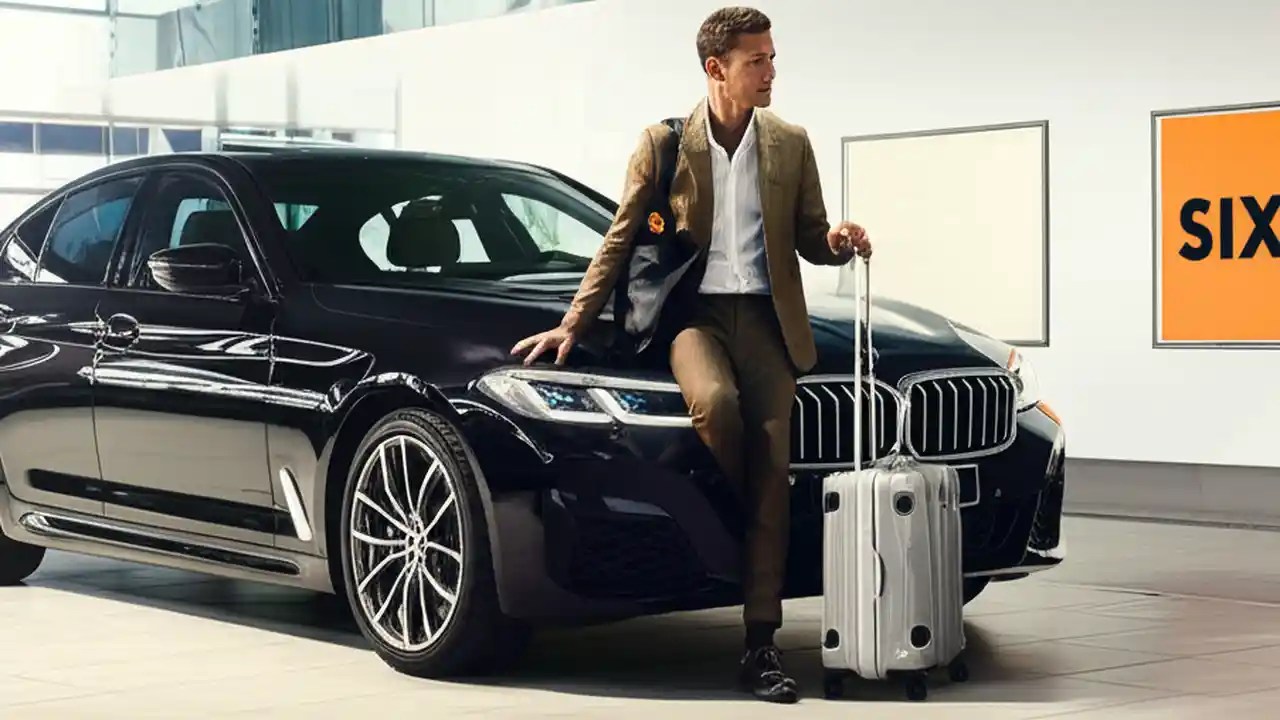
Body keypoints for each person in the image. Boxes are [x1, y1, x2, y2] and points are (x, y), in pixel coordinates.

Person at [511, 5, 872, 704]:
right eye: (757, 60)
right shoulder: (664, 144)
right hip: (694, 315)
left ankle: (761, 643)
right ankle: (759, 512)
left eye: (771, 57)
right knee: (715, 405)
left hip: (767, 318)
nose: (771, 71)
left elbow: (810, 234)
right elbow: (618, 237)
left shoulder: (791, 143)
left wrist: (839, 242)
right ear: (717, 69)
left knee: (774, 449)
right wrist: (573, 324)